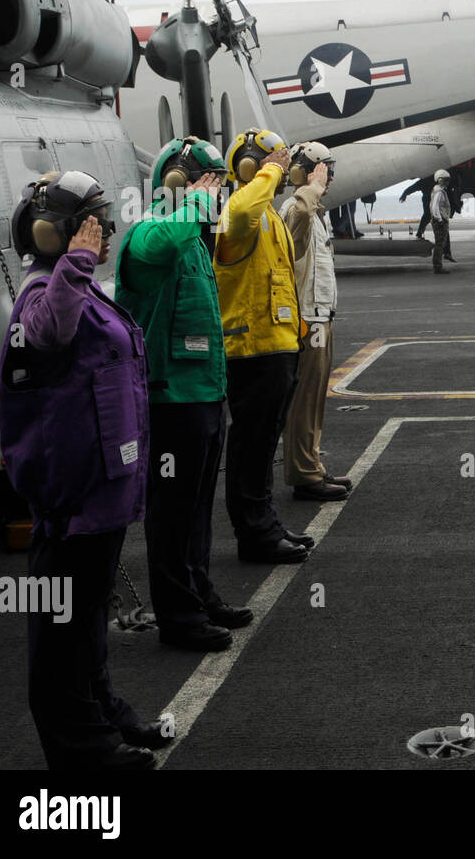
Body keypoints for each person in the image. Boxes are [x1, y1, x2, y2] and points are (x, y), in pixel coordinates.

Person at [0, 171, 167, 768]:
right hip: (74, 497)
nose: (101, 234)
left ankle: (102, 715)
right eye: (89, 224)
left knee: (88, 620)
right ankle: (80, 747)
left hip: (99, 491)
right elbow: (51, 331)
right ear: (57, 235)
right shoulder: (44, 292)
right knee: (63, 631)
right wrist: (75, 261)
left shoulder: (77, 285)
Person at [115, 138, 252, 654]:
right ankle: (178, 616)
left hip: (202, 395)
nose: (218, 195)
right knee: (171, 512)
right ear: (176, 182)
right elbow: (162, 243)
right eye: (211, 183)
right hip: (169, 400)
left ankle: (199, 594)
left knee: (196, 508)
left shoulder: (192, 237)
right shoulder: (152, 231)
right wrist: (187, 198)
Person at [214, 129, 311, 564]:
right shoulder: (240, 213)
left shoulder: (270, 216)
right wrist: (267, 169)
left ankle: (265, 522)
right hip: (251, 350)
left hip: (278, 346)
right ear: (251, 167)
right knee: (250, 446)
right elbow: (239, 212)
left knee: (264, 443)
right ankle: (254, 534)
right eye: (274, 161)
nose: (284, 168)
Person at [282, 141, 353, 501]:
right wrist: (311, 187)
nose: (330, 175)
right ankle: (303, 474)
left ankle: (311, 464)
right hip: (307, 321)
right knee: (304, 401)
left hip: (321, 316)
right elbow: (298, 231)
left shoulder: (317, 211)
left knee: (315, 400)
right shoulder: (296, 208)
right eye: (324, 168)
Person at [430, 168, 453, 273]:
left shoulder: (437, 190)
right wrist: (439, 219)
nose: (448, 182)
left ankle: (437, 265)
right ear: (440, 180)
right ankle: (438, 267)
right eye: (446, 179)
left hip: (440, 219)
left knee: (440, 244)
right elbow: (435, 207)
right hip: (440, 221)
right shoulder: (439, 192)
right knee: (439, 244)